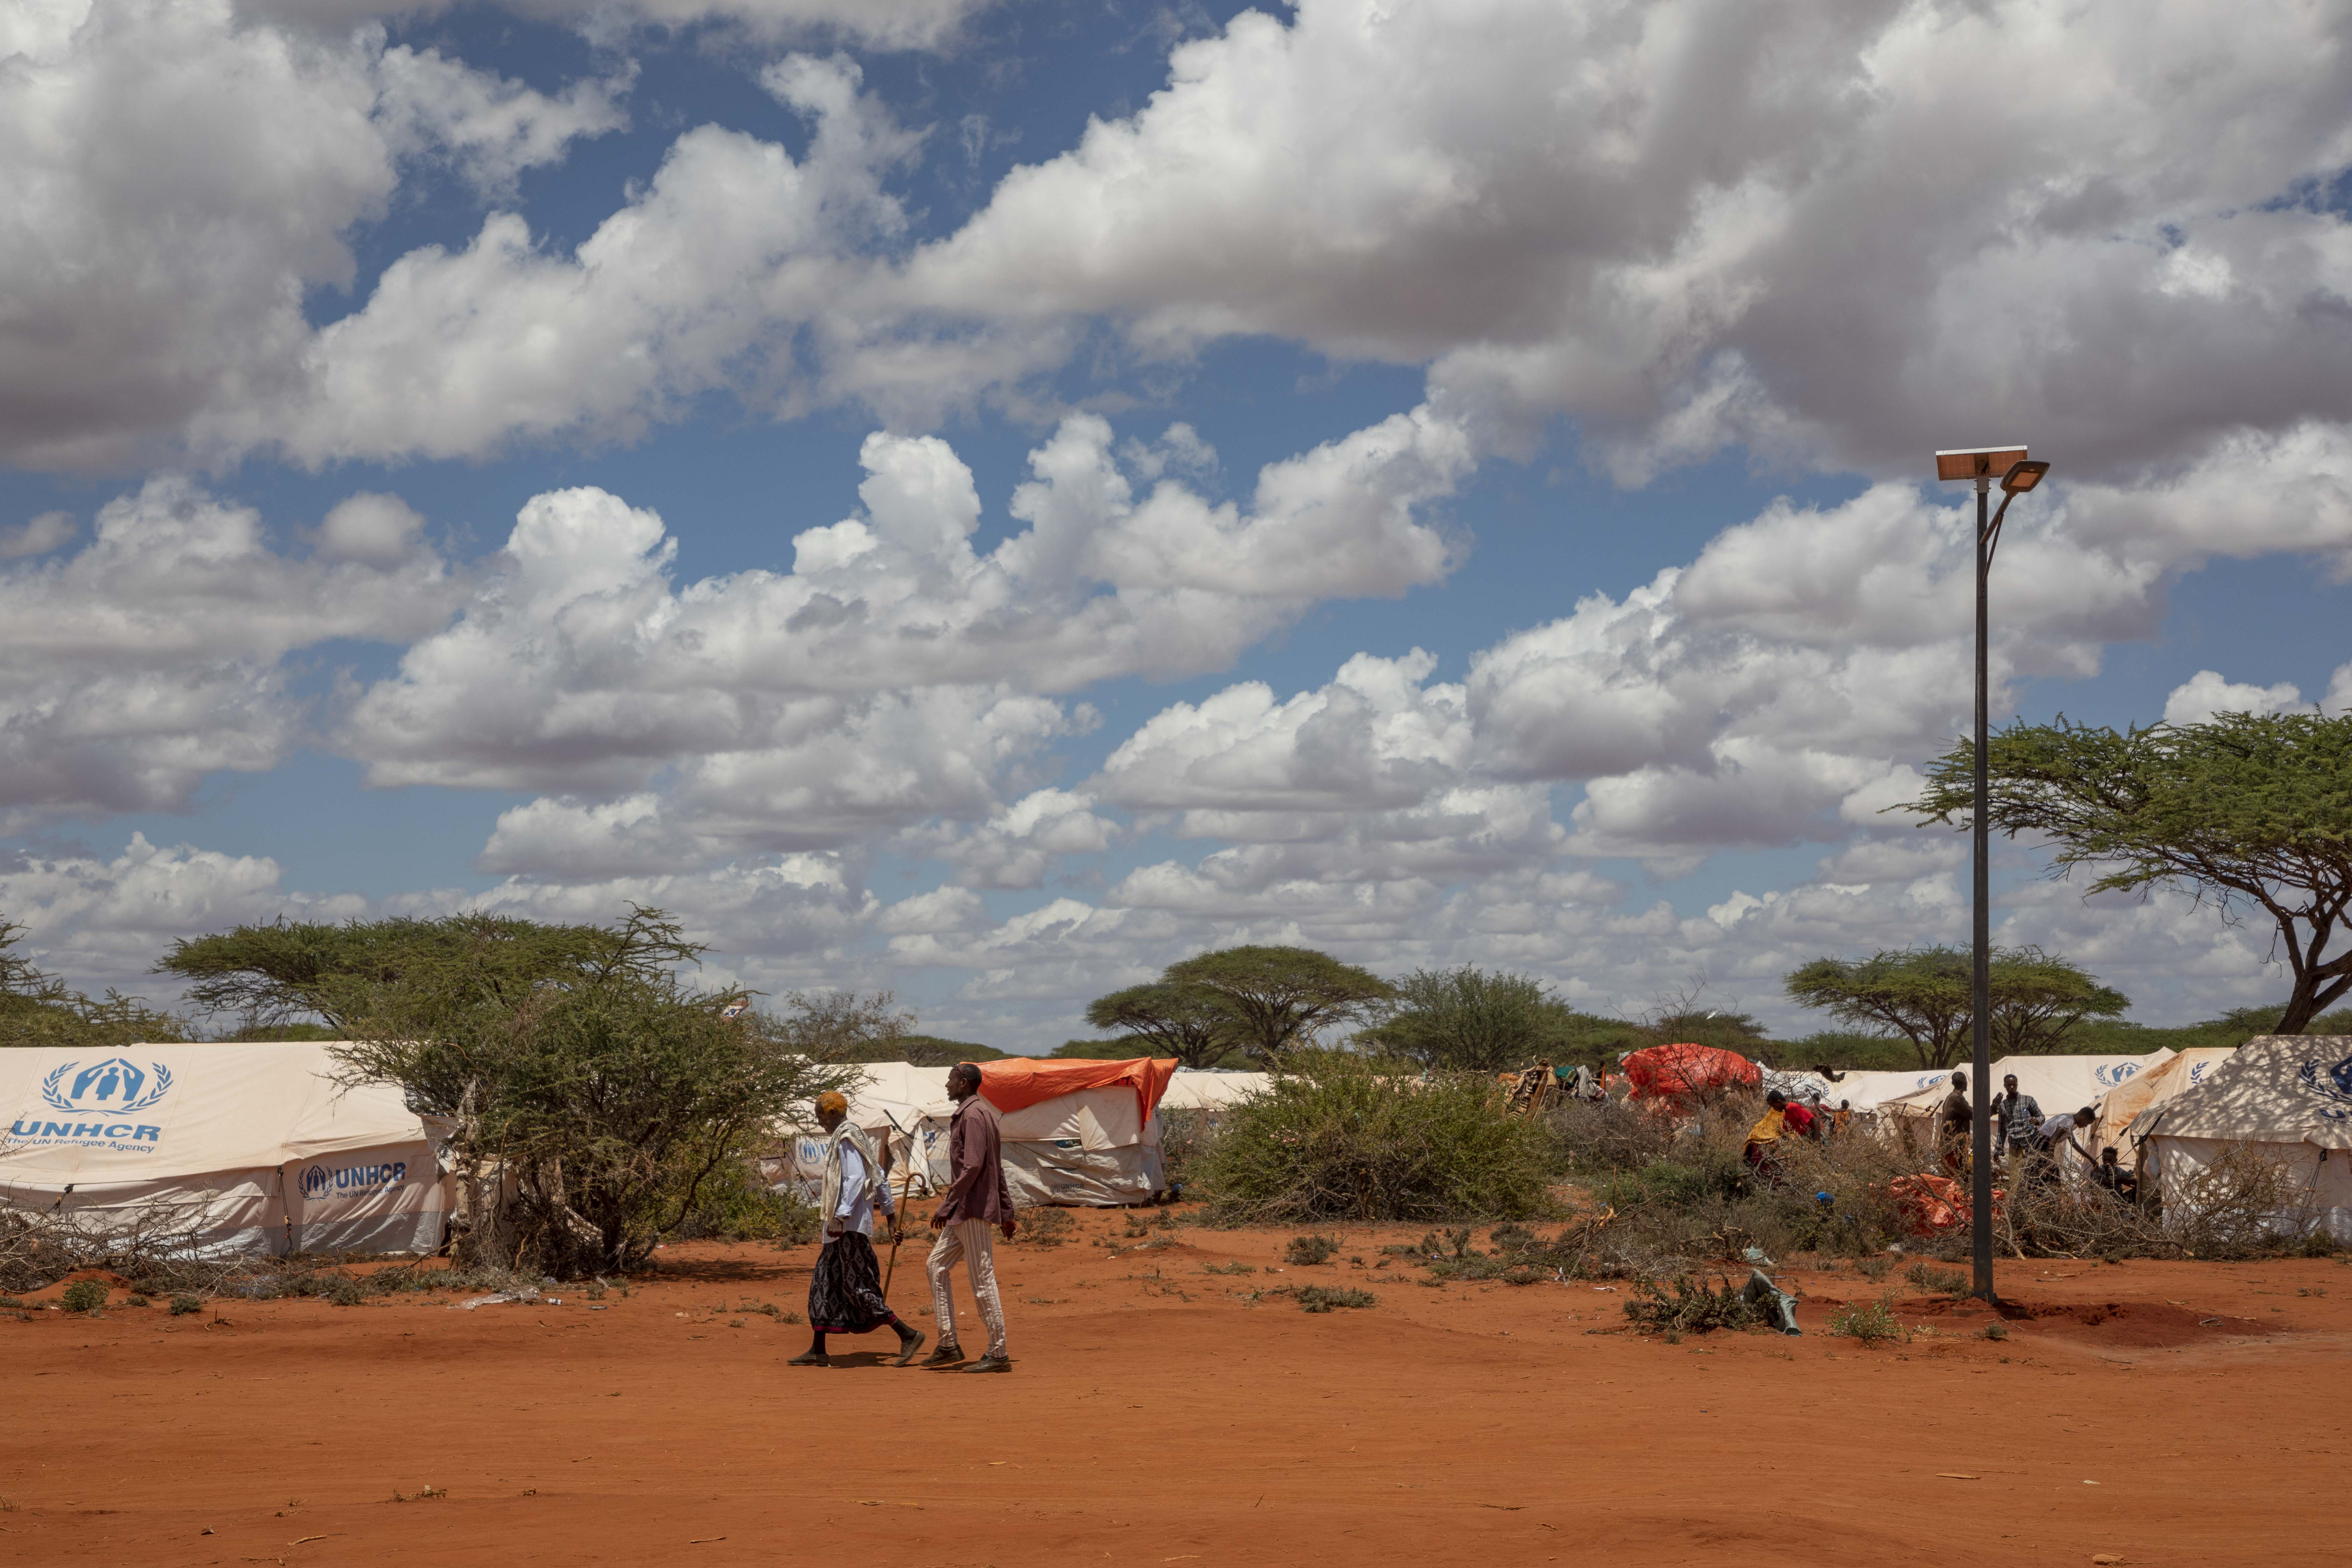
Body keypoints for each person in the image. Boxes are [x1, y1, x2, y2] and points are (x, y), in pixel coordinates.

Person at [791, 1092, 926, 1368]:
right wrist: (888, 1217)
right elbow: (880, 1176)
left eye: (821, 1116)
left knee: (858, 1287)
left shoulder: (846, 1138)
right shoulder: (853, 1136)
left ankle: (908, 1334)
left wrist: (841, 1217)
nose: (820, 1122)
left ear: (832, 1113)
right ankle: (818, 1349)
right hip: (839, 1228)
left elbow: (856, 1178)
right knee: (824, 1283)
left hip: (847, 1228)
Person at [924, 1063, 1017, 1373]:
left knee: (982, 1278)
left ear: (964, 1083)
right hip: (965, 1210)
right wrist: (1007, 1211)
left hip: (972, 1210)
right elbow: (996, 1167)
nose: (947, 1085)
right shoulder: (981, 1113)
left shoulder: (974, 1116)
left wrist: (946, 1204)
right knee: (936, 1266)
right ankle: (948, 1344)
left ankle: (999, 1353)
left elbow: (975, 1166)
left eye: (951, 1080)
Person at [1990, 1074, 2044, 1161]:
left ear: (2017, 1085)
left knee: (2030, 1172)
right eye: (2009, 1085)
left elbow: (2041, 1117)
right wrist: (1998, 1151)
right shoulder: (2003, 1106)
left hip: (2030, 1144)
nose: (2012, 1087)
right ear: (2005, 1086)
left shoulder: (2028, 1100)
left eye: (2014, 1085)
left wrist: (2037, 1120)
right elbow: (2002, 1131)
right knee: (2015, 1174)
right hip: (2014, 1146)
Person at [1744, 1090, 1789, 1185]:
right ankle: (1758, 1172)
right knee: (1752, 1144)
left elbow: (1788, 1132)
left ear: (1779, 1102)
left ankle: (1770, 1177)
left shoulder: (1789, 1111)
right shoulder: (1774, 1112)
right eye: (1771, 1107)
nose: (1773, 1108)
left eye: (1773, 1106)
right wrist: (1756, 1136)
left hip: (1785, 1144)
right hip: (1774, 1141)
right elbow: (1766, 1124)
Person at [1937, 1072, 1971, 1175]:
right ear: (1965, 1084)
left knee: (1950, 1178)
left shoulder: (1950, 1098)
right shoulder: (1957, 1100)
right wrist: (1992, 1109)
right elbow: (1975, 1115)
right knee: (1954, 1180)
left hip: (1949, 1146)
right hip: (1954, 1148)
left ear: (1953, 1083)